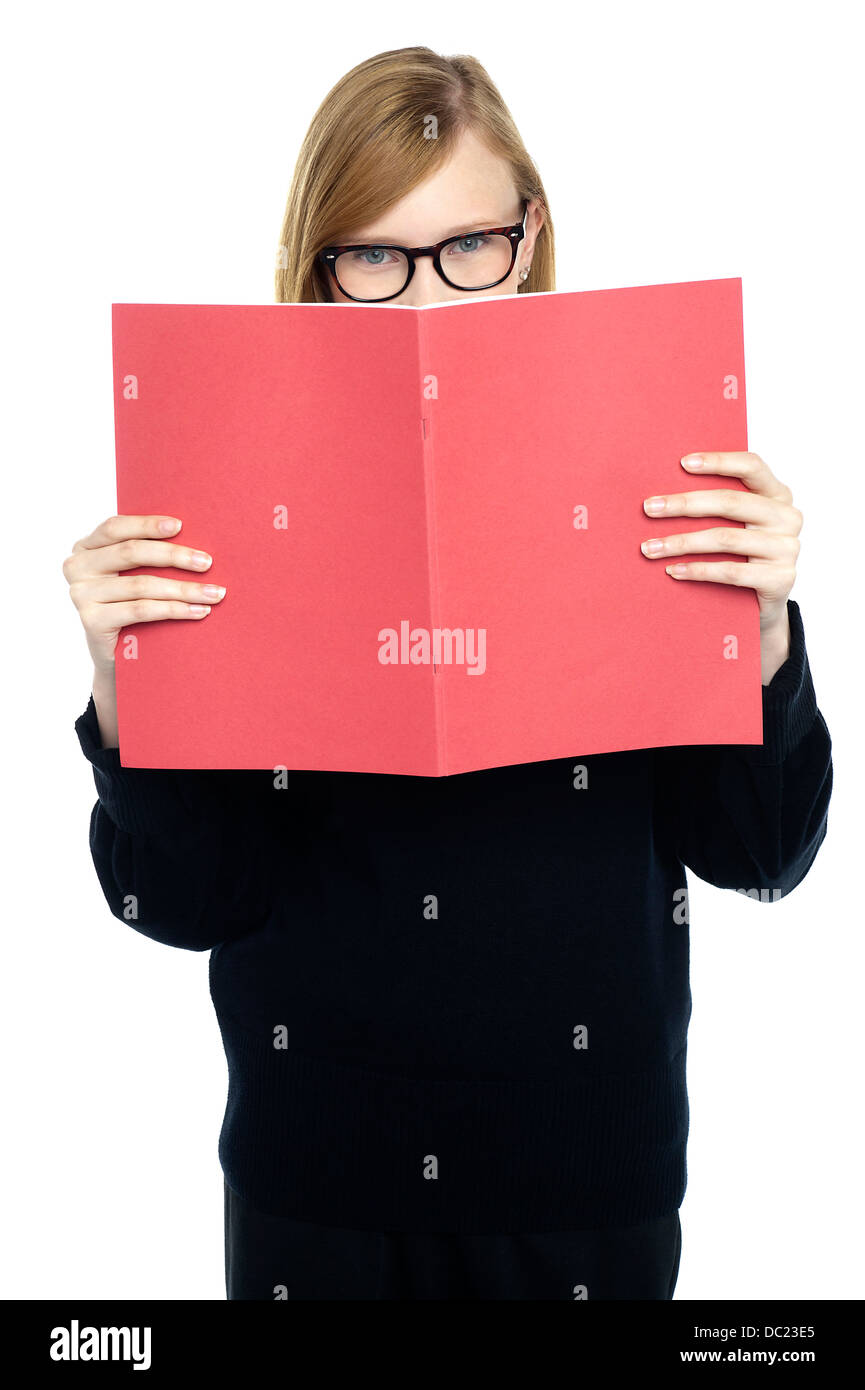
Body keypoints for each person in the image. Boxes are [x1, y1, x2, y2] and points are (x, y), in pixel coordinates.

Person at [64, 46, 833, 1300]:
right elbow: (183, 903)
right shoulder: (235, 504)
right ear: (316, 267)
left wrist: (758, 641)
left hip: (589, 1188)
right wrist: (122, 682)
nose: (426, 305)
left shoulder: (654, 479)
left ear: (528, 236)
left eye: (466, 246)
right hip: (315, 1188)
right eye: (374, 258)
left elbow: (762, 858)